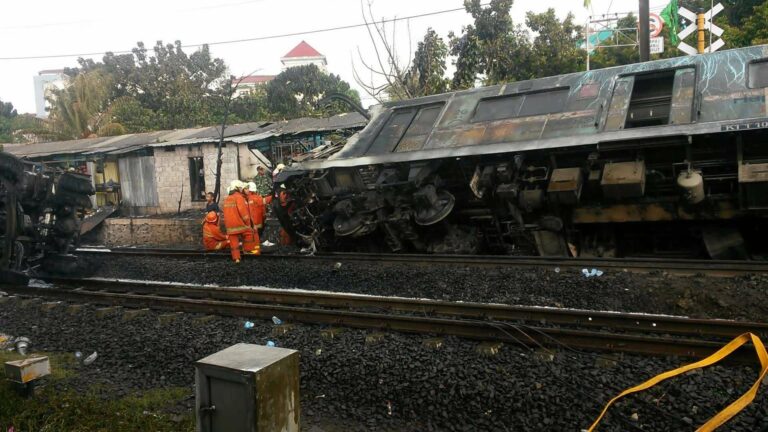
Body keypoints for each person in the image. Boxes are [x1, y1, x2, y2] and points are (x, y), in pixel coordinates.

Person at [222, 181, 257, 262]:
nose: (242, 189)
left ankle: (236, 258)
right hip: (239, 224)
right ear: (236, 188)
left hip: (230, 226)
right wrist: (248, 223)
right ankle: (247, 251)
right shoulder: (238, 197)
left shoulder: (227, 198)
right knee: (248, 233)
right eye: (240, 187)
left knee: (233, 242)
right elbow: (243, 212)